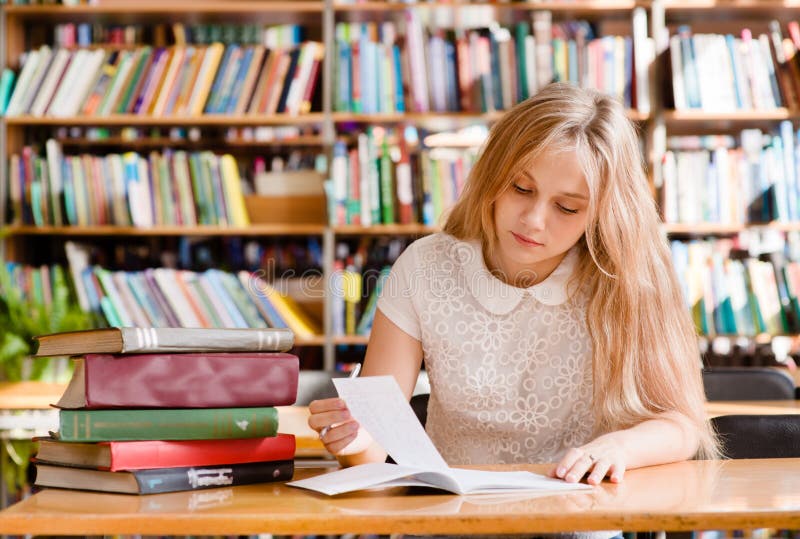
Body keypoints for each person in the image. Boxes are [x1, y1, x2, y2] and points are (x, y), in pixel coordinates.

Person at [308, 82, 719, 488]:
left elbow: (683, 425)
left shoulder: (629, 277)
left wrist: (620, 448)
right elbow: (374, 447)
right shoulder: (425, 265)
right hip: (450, 518)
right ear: (492, 174)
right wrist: (352, 439)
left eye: (566, 207)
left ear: (602, 214)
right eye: (521, 188)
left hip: (576, 517)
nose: (534, 220)